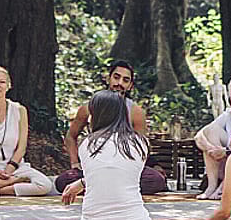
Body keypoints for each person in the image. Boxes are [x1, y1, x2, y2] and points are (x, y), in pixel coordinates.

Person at [60, 91, 157, 220]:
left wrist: (81, 182)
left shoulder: (86, 145)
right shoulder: (140, 144)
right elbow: (119, 173)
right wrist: (81, 183)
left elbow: (106, 171)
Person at [56, 61, 167, 195]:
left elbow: (142, 147)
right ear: (108, 78)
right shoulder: (89, 107)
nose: (119, 83)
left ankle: (98, 187)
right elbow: (71, 136)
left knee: (156, 180)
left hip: (125, 167)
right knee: (63, 181)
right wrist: (75, 163)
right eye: (116, 77)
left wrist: (131, 168)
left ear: (130, 86)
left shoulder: (135, 112)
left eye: (125, 80)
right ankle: (106, 186)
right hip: (95, 166)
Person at [0, 66, 54, 196]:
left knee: (44, 184)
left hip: (15, 168)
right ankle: (11, 183)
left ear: (8, 86)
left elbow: (21, 147)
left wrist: (8, 171)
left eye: (2, 82)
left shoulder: (19, 110)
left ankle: (0, 189)